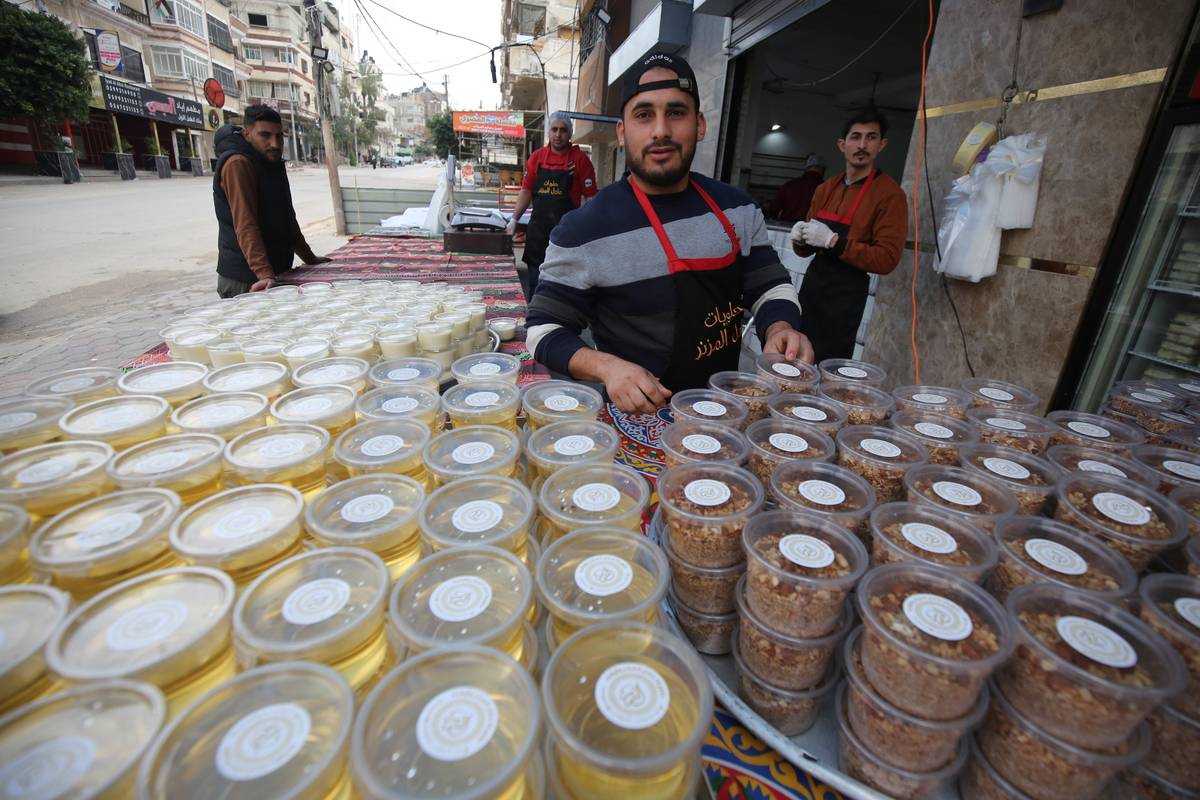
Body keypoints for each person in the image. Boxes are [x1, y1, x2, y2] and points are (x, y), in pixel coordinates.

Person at [526, 53, 812, 414]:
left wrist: (780, 327)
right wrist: (608, 368)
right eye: (644, 115)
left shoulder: (738, 209)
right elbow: (542, 332)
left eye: (676, 112)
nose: (660, 130)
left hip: (722, 414)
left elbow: (771, 286)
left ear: (700, 125)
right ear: (622, 131)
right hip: (635, 419)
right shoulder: (584, 230)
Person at [791, 108, 906, 362]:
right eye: (856, 137)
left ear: (882, 144)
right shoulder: (825, 189)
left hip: (845, 296)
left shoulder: (890, 195)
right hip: (813, 287)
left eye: (871, 137)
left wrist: (835, 242)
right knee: (797, 359)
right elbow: (806, 250)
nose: (862, 145)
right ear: (842, 144)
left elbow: (887, 259)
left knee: (828, 368)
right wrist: (799, 240)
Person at [212, 104, 330, 298]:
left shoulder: (273, 163)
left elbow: (287, 218)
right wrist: (264, 273)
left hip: (273, 273)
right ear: (247, 134)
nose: (274, 144)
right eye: (265, 136)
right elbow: (245, 224)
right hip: (247, 279)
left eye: (279, 136)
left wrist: (310, 258)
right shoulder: (238, 164)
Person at [506, 111, 597, 299]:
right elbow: (526, 191)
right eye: (554, 129)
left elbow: (591, 199)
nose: (558, 134)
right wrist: (514, 220)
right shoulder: (537, 158)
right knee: (535, 285)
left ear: (570, 133)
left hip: (566, 236)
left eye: (563, 130)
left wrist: (591, 228)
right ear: (549, 132)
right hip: (538, 234)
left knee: (562, 289)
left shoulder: (580, 160)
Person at [767, 153, 825, 223]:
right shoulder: (826, 188)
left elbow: (774, 208)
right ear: (822, 168)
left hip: (787, 228)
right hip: (812, 230)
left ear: (806, 167)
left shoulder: (790, 185)